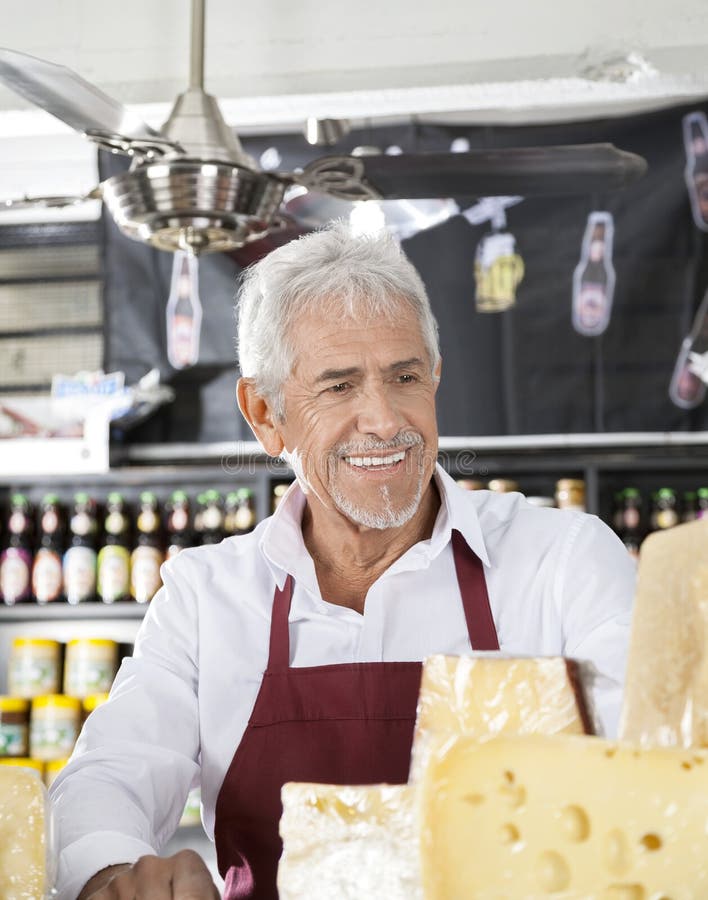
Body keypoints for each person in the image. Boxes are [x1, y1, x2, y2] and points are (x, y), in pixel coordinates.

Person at [50, 221, 635, 900]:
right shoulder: (206, 596)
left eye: (405, 376)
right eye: (339, 386)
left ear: (435, 378)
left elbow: (654, 764)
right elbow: (109, 773)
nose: (385, 419)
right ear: (265, 414)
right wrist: (115, 872)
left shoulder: (566, 563)